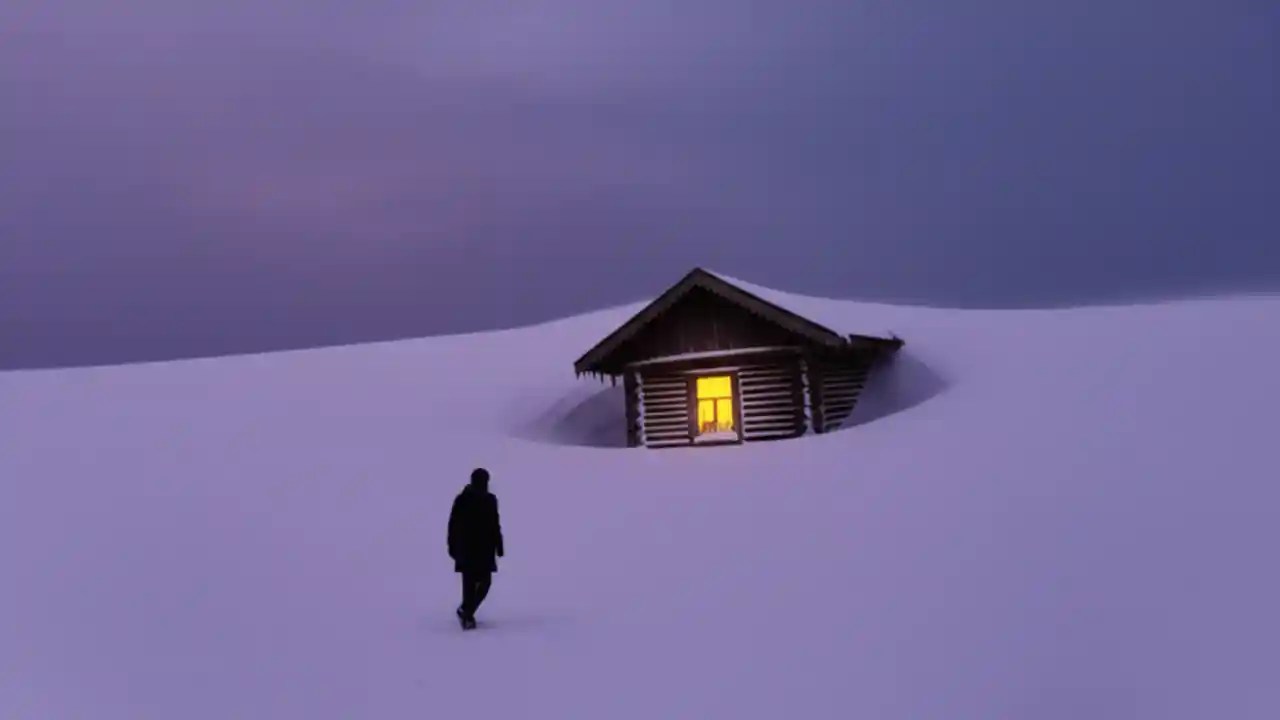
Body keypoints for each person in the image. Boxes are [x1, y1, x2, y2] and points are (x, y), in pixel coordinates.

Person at [447, 467, 504, 630]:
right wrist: (452, 545)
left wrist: (499, 545)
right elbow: (453, 525)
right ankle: (467, 617)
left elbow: (495, 524)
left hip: (485, 549)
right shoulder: (463, 499)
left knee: (485, 583)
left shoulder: (491, 500)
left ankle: (466, 610)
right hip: (466, 548)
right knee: (469, 584)